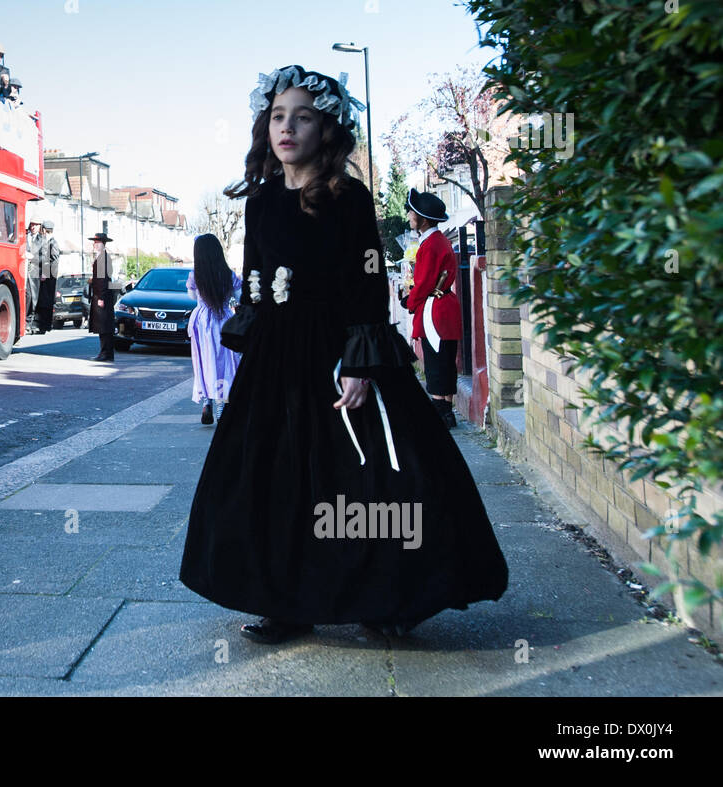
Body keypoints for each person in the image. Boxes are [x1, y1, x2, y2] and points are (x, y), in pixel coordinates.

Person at [178, 64, 508, 645]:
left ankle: (386, 597)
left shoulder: (346, 196)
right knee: (275, 479)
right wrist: (249, 352)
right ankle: (284, 602)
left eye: (302, 116)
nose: (288, 127)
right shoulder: (258, 203)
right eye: (278, 116)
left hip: (335, 351)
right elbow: (254, 280)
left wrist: (359, 361)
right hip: (277, 357)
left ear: (324, 127)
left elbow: (366, 284)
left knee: (368, 478)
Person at [404, 188, 463, 428]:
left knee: (437, 361)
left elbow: (425, 283)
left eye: (411, 212)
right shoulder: (440, 241)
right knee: (447, 360)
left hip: (434, 310)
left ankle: (442, 414)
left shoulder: (430, 245)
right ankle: (446, 411)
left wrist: (409, 302)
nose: (408, 215)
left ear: (423, 219)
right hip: (445, 305)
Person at [187, 233, 242, 425]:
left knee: (204, 362)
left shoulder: (195, 275)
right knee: (224, 362)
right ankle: (221, 404)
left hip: (202, 322)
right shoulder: (228, 274)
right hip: (223, 319)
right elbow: (239, 295)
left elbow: (192, 297)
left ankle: (206, 401)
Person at [88, 233, 115, 361]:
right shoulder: (103, 257)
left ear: (101, 244)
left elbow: (103, 280)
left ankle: (106, 353)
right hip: (102, 295)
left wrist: (101, 298)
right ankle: (105, 353)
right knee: (103, 325)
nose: (93, 244)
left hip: (102, 296)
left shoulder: (103, 258)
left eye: (95, 242)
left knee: (104, 326)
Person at [35, 221, 60, 332]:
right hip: (48, 276)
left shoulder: (52, 243)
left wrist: (46, 273)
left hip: (49, 277)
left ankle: (45, 326)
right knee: (44, 302)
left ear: (44, 230)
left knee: (46, 302)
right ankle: (43, 325)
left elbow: (53, 260)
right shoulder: (48, 242)